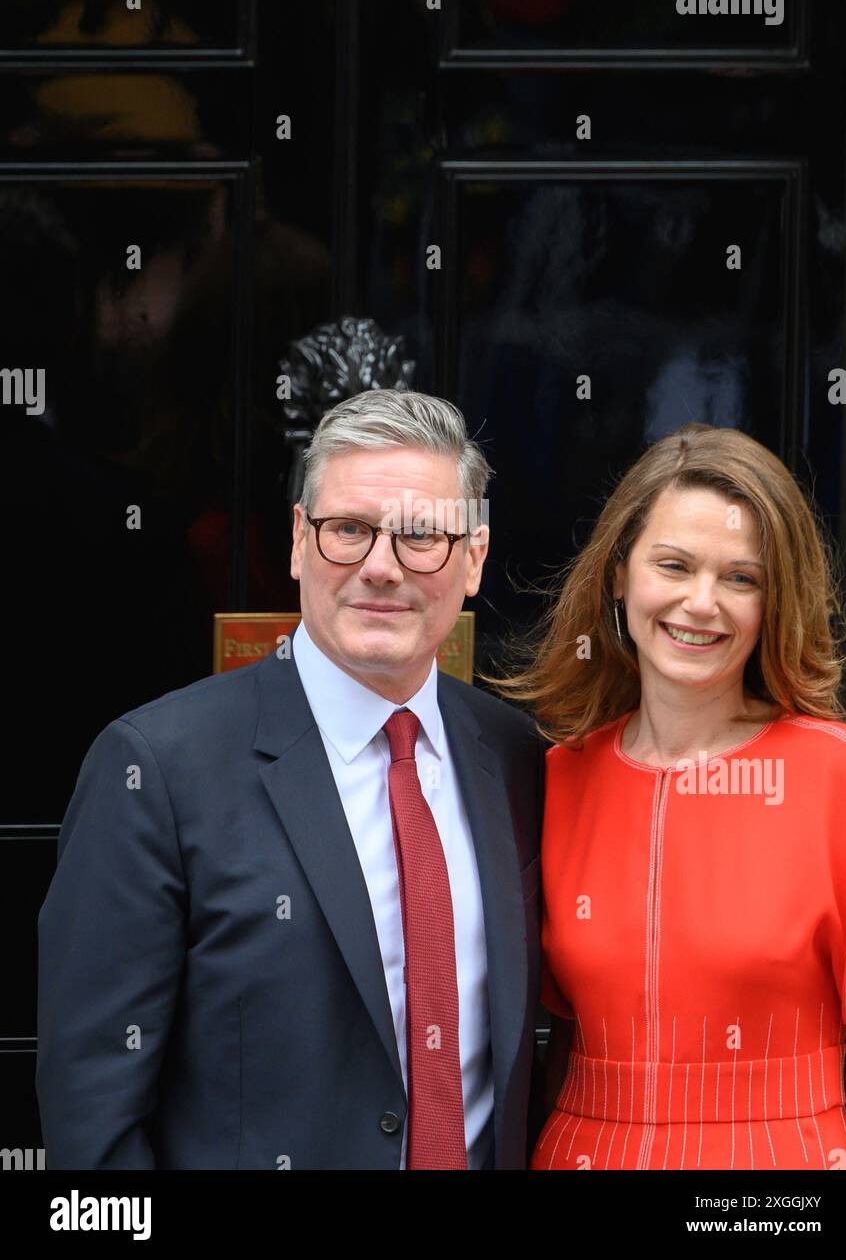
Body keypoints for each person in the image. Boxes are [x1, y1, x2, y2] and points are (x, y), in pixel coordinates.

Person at [36, 388, 545, 1169]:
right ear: (300, 544)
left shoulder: (512, 758)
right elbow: (92, 1115)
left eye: (419, 536)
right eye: (349, 530)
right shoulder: (155, 769)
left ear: (473, 559)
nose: (381, 567)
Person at [492, 423, 846, 1169]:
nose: (701, 602)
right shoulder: (555, 780)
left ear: (773, 600)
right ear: (619, 575)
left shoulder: (843, 778)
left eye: (741, 578)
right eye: (673, 565)